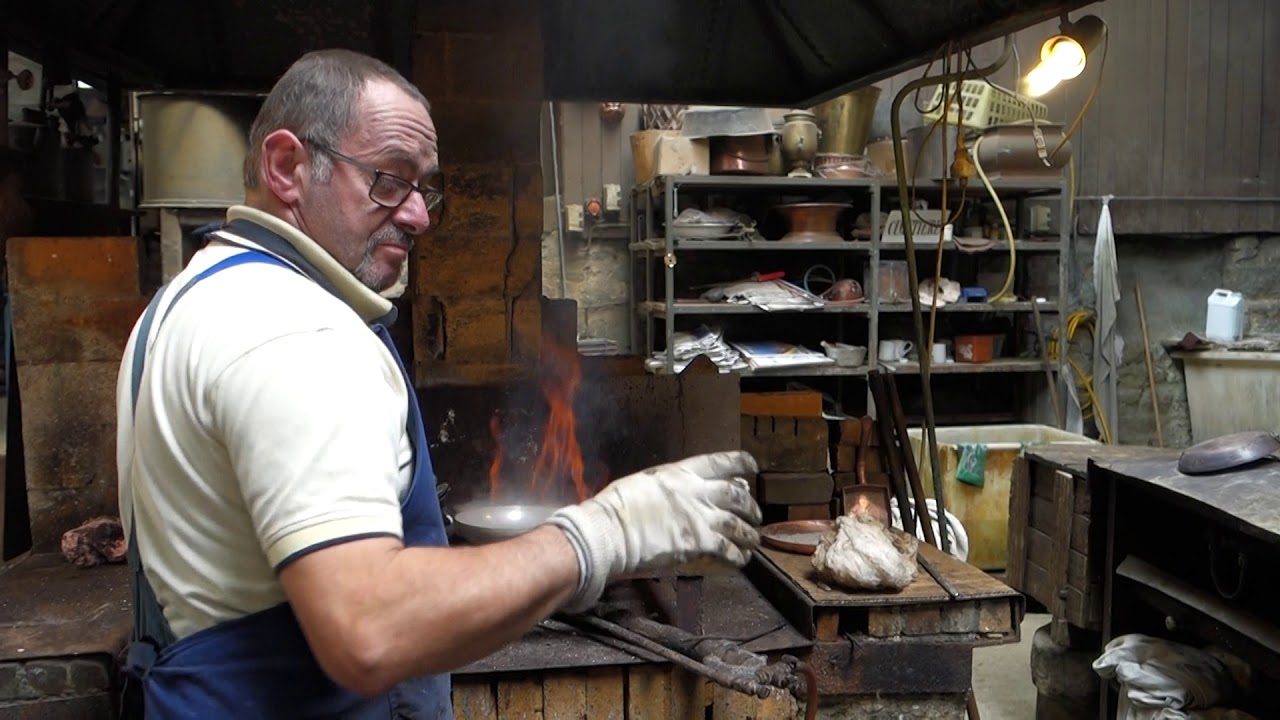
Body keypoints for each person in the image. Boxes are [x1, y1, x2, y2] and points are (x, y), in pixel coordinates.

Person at [115, 48, 761, 719]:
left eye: (425, 186)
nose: (419, 215)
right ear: (287, 167)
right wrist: (602, 533)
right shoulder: (300, 334)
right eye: (388, 179)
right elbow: (370, 628)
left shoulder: (185, 302)